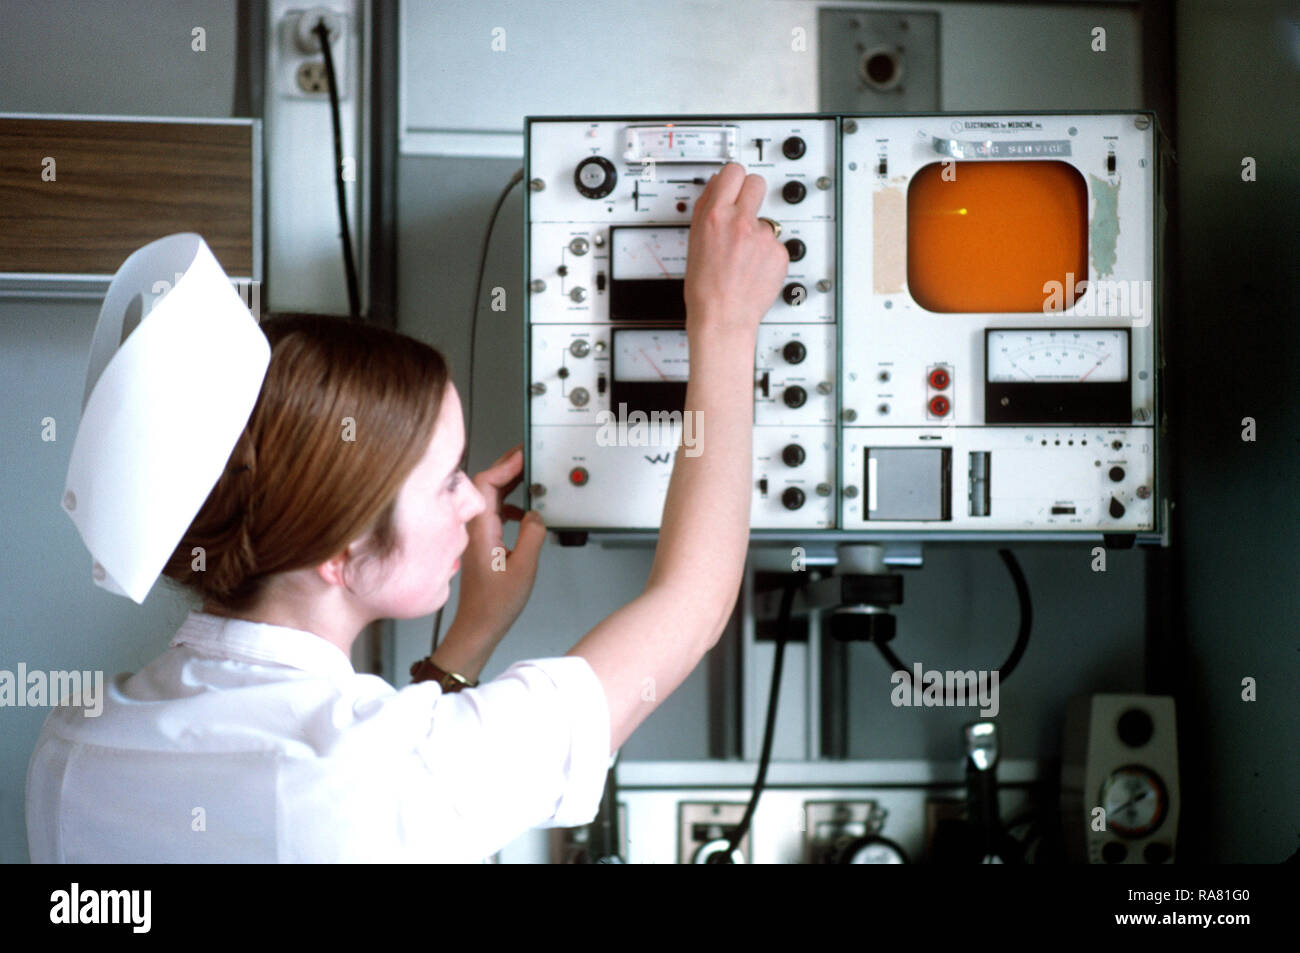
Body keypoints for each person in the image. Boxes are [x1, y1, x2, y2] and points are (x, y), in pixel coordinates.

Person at [25, 163, 789, 862]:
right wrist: (723, 324)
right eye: (446, 479)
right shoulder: (398, 771)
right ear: (337, 546)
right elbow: (693, 601)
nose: (471, 501)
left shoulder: (75, 744)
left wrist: (470, 638)